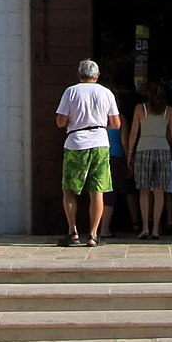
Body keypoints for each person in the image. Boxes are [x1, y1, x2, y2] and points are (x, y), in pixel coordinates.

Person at [53, 59, 121, 247]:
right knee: (97, 191)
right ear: (97, 76)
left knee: (69, 189)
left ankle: (73, 232)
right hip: (100, 142)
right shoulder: (106, 93)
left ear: (79, 75)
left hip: (76, 142)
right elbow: (116, 124)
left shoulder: (71, 91)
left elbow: (60, 121)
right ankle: (93, 235)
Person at [126, 84, 172, 243]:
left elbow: (134, 133)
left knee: (143, 191)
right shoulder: (169, 111)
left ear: (148, 95)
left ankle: (145, 228)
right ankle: (156, 228)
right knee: (159, 191)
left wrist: (130, 153)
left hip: (143, 149)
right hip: (163, 150)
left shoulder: (140, 108)